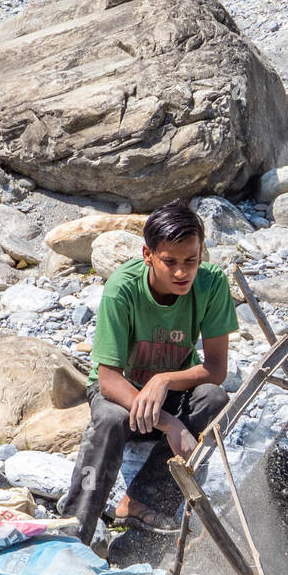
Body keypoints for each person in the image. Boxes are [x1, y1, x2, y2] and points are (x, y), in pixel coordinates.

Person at [59, 201, 237, 549]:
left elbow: (216, 369)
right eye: (169, 262)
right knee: (110, 420)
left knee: (214, 400)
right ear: (148, 255)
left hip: (170, 391)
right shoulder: (122, 289)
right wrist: (170, 424)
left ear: (202, 254)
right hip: (121, 393)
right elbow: (108, 377)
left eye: (191, 261)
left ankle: (142, 500)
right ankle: (73, 530)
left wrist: (164, 380)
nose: (182, 273)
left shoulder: (212, 284)